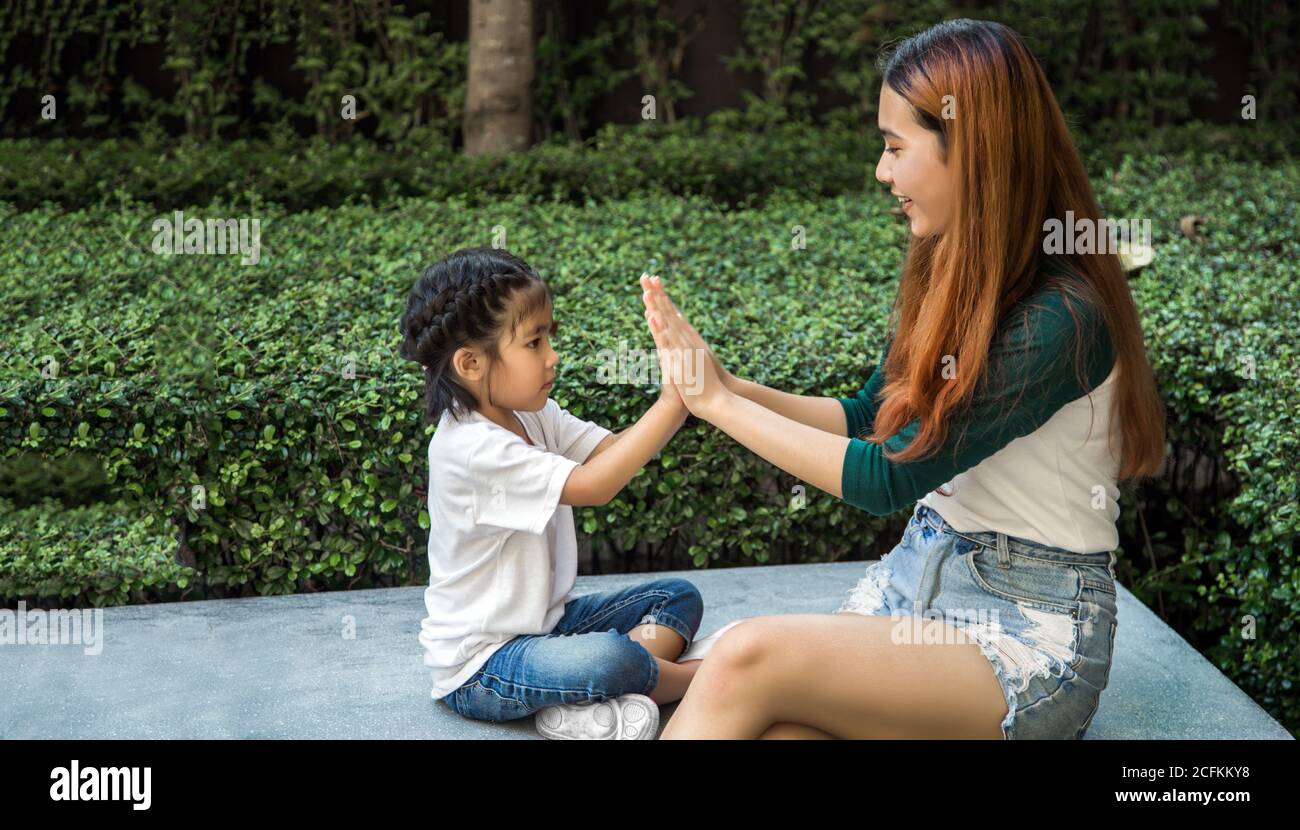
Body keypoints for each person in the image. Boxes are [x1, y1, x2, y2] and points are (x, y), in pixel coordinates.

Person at [639, 18, 1167, 739]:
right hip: (917, 582)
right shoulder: (952, 262)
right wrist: (727, 386)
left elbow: (886, 474)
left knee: (744, 658)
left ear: (973, 151)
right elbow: (868, 415)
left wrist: (719, 406)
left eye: (895, 149)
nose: (882, 173)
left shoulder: (1064, 317)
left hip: (1027, 633)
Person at [399, 247, 704, 739]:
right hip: (484, 667)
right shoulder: (471, 446)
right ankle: (699, 679)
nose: (552, 356)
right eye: (535, 343)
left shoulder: (530, 412)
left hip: (548, 625)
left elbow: (612, 451)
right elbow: (594, 485)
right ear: (472, 362)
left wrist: (681, 396)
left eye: (549, 338)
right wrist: (674, 403)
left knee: (673, 597)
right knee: (609, 655)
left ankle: (591, 694)